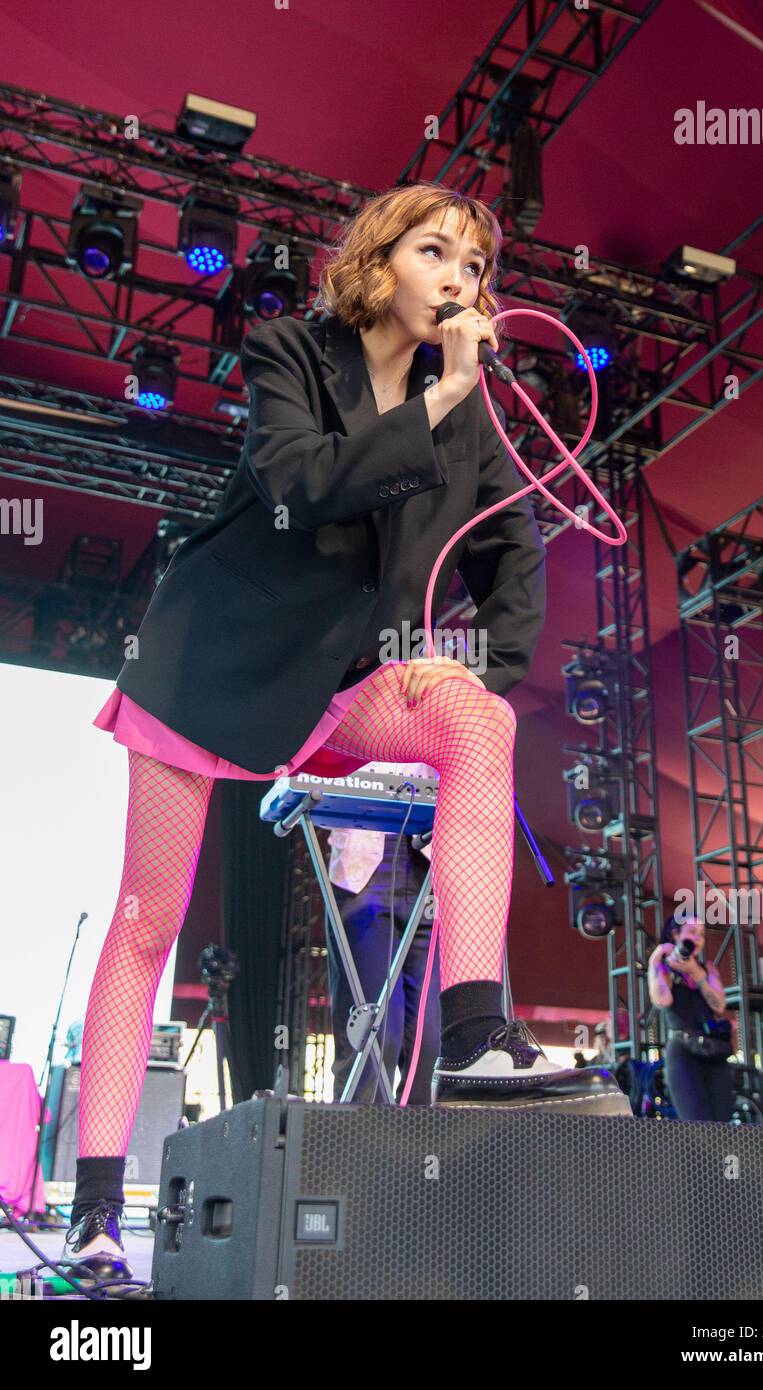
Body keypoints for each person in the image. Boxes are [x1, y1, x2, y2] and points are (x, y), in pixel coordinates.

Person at [63, 182, 620, 1283]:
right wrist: (442, 398)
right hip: (211, 664)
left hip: (336, 685)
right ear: (377, 259)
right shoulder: (290, 350)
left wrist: (485, 672)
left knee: (472, 715)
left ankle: (470, 1034)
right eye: (434, 252)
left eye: (473, 264)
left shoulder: (462, 410)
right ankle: (89, 1212)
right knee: (146, 918)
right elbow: (300, 482)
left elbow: (509, 546)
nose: (459, 279)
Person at [325, 759, 440, 1103]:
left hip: (431, 858)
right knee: (374, 1034)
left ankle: (426, 1147)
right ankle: (358, 1148)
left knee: (430, 1037)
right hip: (365, 864)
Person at [648, 914, 733, 1123]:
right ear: (676, 935)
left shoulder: (707, 969)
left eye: (701, 934)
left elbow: (719, 1005)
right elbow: (663, 1000)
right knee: (697, 1121)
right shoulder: (665, 969)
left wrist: (695, 973)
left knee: (722, 1121)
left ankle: (724, 1157)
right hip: (683, 1051)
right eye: (692, 933)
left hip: (713, 1051)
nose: (697, 938)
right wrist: (655, 961)